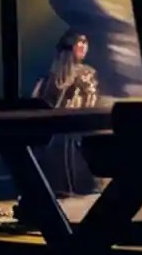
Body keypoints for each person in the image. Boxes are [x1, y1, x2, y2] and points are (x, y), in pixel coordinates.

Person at [32, 30, 99, 197]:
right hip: (55, 129)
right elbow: (44, 102)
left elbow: (90, 103)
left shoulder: (87, 73)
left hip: (78, 127)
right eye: (79, 42)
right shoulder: (53, 76)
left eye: (85, 42)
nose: (83, 46)